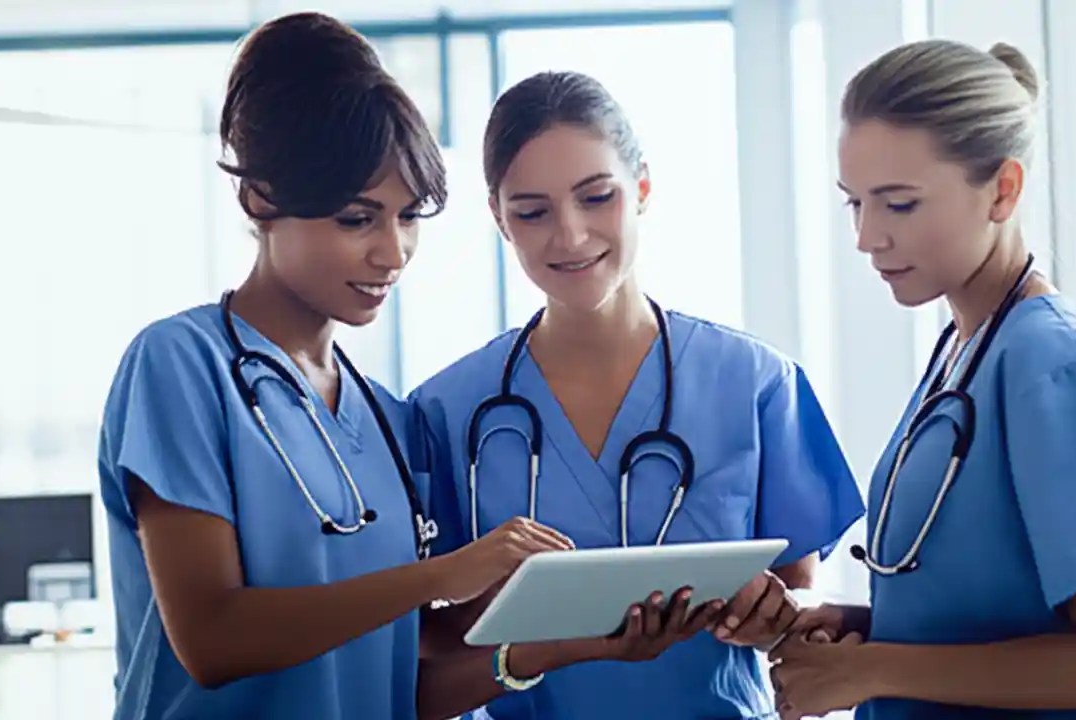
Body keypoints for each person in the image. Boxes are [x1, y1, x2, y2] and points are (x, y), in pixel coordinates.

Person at [97, 14, 678, 720]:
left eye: (407, 217)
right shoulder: (182, 367)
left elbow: (402, 670)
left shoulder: (384, 416)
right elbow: (213, 640)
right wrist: (442, 574)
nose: (392, 252)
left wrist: (558, 641)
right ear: (261, 199)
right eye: (357, 218)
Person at [409, 70, 865, 720]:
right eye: (532, 212)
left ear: (642, 187)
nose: (569, 235)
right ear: (499, 219)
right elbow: (428, 637)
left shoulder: (757, 383)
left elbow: (793, 609)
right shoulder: (446, 411)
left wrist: (771, 618)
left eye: (597, 197)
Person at [768, 40, 1076, 719]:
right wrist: (859, 631)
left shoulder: (1049, 362)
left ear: (1003, 190)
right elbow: (989, 614)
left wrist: (872, 668)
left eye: (899, 204)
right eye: (855, 204)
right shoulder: (966, 350)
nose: (867, 237)